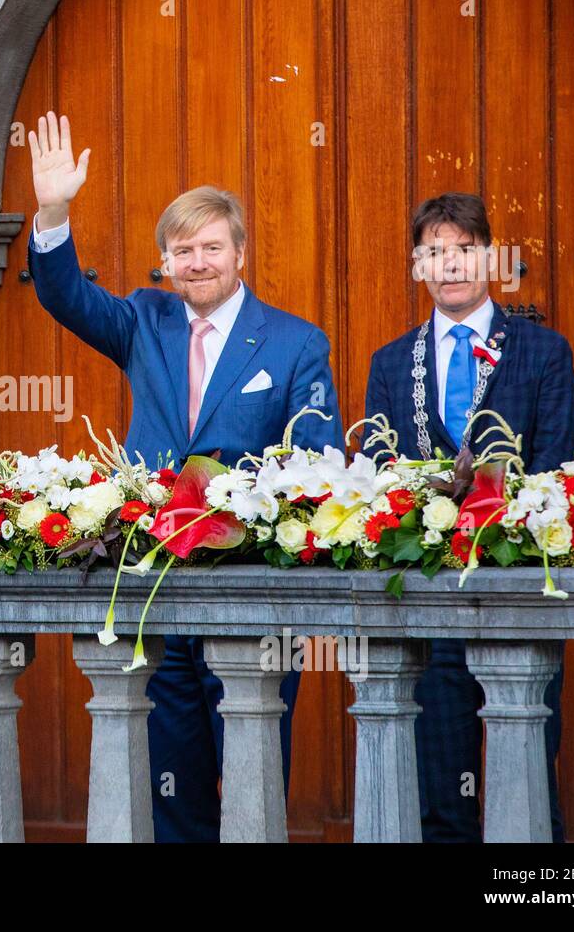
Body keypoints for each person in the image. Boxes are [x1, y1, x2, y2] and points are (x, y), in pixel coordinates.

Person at [25, 111, 343, 841]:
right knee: (172, 781)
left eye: (209, 246)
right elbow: (64, 295)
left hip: (252, 590)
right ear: (165, 261)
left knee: (256, 776)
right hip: (153, 589)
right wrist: (54, 211)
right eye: (180, 250)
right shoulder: (144, 319)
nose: (195, 261)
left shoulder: (296, 342)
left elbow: (316, 457)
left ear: (238, 252)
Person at [364, 191, 574, 842]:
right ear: (417, 264)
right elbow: (377, 475)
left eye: (465, 249)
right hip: (427, 602)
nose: (451, 265)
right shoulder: (389, 362)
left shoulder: (542, 352)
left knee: (527, 776)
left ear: (489, 256)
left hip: (518, 595)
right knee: (440, 785)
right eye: (436, 252)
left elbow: (557, 467)